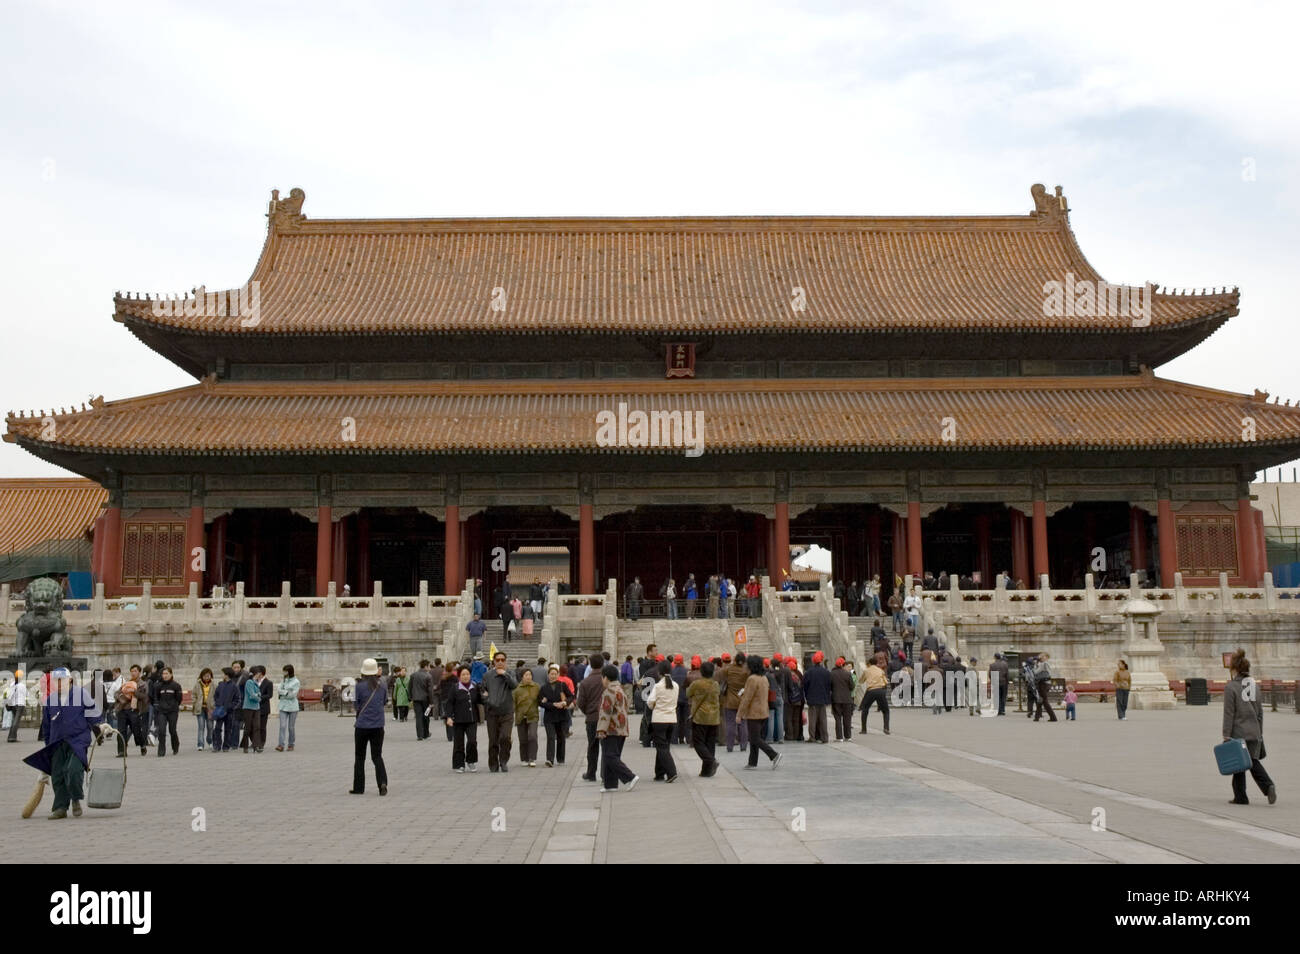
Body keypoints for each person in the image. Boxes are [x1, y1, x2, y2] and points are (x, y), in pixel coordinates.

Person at [23, 669, 110, 819]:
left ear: (69, 680)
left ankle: (76, 799)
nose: (58, 683)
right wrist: (48, 746)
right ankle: (60, 808)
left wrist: (100, 725)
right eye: (56, 681)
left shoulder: (81, 694)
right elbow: (47, 726)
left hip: (78, 739)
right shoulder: (50, 700)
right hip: (57, 742)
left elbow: (92, 713)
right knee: (58, 775)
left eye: (62, 680)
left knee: (73, 770)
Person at [1222, 649, 1276, 806]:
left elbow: (1229, 714)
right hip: (1254, 731)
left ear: (1234, 669)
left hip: (1238, 731)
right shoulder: (1254, 687)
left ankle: (1242, 796)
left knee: (1240, 763)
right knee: (1250, 761)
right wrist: (1260, 731)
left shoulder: (1231, 687)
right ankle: (1266, 786)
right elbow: (1260, 712)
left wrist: (1226, 734)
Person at [595, 664, 639, 793]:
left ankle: (630, 777)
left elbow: (605, 712)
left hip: (611, 728)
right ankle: (610, 784)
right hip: (622, 727)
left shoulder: (609, 691)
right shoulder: (620, 689)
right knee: (614, 755)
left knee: (609, 756)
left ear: (606, 678)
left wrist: (601, 729)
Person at [350, 658, 388, 795]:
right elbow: (384, 701)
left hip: (362, 726)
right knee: (377, 756)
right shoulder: (382, 685)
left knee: (360, 757)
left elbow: (356, 705)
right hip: (378, 725)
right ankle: (382, 783)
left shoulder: (359, 686)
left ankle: (359, 787)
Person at [737, 656, 782, 770]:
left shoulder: (752, 679)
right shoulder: (763, 678)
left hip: (754, 712)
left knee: (755, 738)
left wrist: (739, 714)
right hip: (763, 711)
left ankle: (774, 755)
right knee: (755, 738)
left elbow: (747, 698)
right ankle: (752, 762)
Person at [443, 665, 482, 772]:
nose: (466, 676)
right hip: (459, 720)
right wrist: (449, 717)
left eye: (468, 674)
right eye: (463, 674)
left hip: (472, 720)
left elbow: (480, 700)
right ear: (459, 676)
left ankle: (471, 761)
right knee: (459, 743)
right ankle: (459, 764)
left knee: (472, 741)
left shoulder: (474, 687)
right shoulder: (455, 688)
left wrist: (485, 696)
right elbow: (449, 703)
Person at [574, 653, 607, 782]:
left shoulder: (585, 682)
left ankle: (591, 773)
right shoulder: (606, 680)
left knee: (592, 746)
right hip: (606, 718)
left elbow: (580, 703)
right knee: (606, 747)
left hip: (592, 718)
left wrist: (588, 712)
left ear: (590, 664)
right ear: (603, 663)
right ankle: (605, 774)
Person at [646, 661, 679, 782]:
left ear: (659, 672)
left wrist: (655, 706)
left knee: (661, 747)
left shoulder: (658, 686)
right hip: (672, 718)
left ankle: (671, 772)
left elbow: (650, 702)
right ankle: (659, 772)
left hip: (659, 719)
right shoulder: (675, 685)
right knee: (665, 747)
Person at [688, 660, 721, 776]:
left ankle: (711, 761)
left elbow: (688, 693)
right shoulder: (716, 684)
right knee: (710, 743)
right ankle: (706, 771)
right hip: (714, 718)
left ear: (701, 672)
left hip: (700, 717)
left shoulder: (697, 684)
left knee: (698, 742)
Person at [538, 664, 569, 766]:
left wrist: (565, 703)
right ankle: (550, 759)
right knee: (551, 737)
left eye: (555, 674)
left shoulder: (562, 685)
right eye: (551, 674)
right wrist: (552, 704)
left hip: (562, 715)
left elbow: (571, 696)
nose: (553, 676)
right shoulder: (544, 688)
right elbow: (540, 702)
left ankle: (560, 759)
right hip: (550, 716)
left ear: (558, 674)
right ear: (548, 675)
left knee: (561, 737)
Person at [152, 667, 182, 757]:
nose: (164, 676)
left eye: (166, 674)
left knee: (172, 730)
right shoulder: (159, 686)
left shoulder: (176, 685)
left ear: (171, 674)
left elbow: (179, 699)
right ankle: (161, 750)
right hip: (162, 711)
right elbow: (157, 697)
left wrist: (173, 705)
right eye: (163, 674)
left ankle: (175, 746)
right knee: (161, 730)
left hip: (172, 711)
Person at [722, 653, 749, 752]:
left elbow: (722, 677)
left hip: (730, 701)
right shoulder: (746, 671)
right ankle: (743, 746)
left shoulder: (729, 669)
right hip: (742, 701)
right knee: (743, 724)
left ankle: (730, 746)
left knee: (730, 724)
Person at [803, 652, 832, 743]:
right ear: (821, 661)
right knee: (823, 719)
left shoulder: (809, 672)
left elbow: (805, 685)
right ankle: (824, 738)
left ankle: (812, 737)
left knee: (812, 719)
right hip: (823, 698)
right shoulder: (826, 672)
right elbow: (829, 686)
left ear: (813, 661)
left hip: (812, 699)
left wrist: (807, 696)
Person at [513, 669, 540, 767]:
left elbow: (540, 699)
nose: (528, 677)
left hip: (533, 716)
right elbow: (513, 703)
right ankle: (524, 758)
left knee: (533, 736)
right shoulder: (517, 689)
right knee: (523, 739)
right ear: (522, 677)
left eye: (530, 675)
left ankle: (532, 758)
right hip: (520, 716)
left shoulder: (536, 687)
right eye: (526, 675)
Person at [858, 653, 890, 734]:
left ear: (869, 663)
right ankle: (886, 728)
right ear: (876, 663)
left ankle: (864, 729)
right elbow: (886, 682)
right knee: (886, 711)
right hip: (880, 690)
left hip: (871, 691)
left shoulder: (867, 670)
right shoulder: (880, 670)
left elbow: (861, 681)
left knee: (865, 709)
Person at [210, 667, 238, 752]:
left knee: (228, 729)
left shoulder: (234, 686)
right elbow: (216, 695)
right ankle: (217, 745)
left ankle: (226, 746)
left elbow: (237, 699)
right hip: (220, 710)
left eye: (223, 674)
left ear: (227, 675)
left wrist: (231, 706)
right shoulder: (220, 684)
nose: (222, 675)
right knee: (217, 728)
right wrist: (218, 703)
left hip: (229, 711)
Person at [276, 665, 300, 751]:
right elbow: (278, 689)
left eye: (285, 671)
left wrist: (284, 693)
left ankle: (291, 744)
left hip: (293, 707)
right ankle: (281, 745)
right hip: (283, 706)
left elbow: (293, 695)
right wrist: (286, 692)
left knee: (291, 727)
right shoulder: (283, 680)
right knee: (282, 726)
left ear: (289, 671)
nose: (284, 673)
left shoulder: (296, 682)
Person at [240, 665, 263, 752]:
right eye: (258, 674)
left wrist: (257, 695)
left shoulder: (256, 682)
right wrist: (259, 697)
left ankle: (256, 746)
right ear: (255, 673)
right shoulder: (249, 682)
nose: (259, 675)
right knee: (248, 727)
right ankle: (245, 746)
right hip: (248, 707)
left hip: (256, 707)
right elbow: (252, 695)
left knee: (257, 727)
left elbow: (257, 693)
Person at [830, 656, 854, 741]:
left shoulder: (832, 674)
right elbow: (852, 686)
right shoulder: (847, 674)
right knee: (847, 718)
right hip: (847, 699)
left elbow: (830, 686)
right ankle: (848, 736)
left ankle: (839, 737)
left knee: (838, 719)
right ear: (843, 665)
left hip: (836, 699)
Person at [192, 668, 215, 751]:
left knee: (210, 726)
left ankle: (210, 740)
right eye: (205, 676)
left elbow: (217, 695)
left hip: (210, 708)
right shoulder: (197, 684)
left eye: (208, 676)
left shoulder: (213, 685)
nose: (206, 677)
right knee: (201, 726)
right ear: (201, 676)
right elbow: (194, 695)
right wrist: (195, 703)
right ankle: (200, 744)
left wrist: (214, 704)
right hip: (200, 708)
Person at [410, 659, 433, 741]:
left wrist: (410, 697)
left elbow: (410, 687)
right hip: (425, 699)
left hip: (416, 699)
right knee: (426, 716)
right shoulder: (428, 676)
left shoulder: (413, 675)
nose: (429, 668)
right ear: (426, 666)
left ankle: (419, 735)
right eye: (429, 666)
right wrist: (431, 701)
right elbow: (430, 690)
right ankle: (426, 733)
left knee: (418, 717)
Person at [1031, 653, 1058, 722]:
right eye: (1040, 656)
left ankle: (1053, 717)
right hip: (1046, 683)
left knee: (1044, 701)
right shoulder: (1046, 664)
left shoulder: (1043, 664)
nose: (1040, 658)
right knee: (1040, 700)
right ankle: (1037, 717)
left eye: (1042, 656)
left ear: (1046, 657)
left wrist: (1035, 665)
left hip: (1043, 684)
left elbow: (1036, 672)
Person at [784, 657, 804, 741]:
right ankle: (796, 735)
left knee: (789, 718)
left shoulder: (788, 675)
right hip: (799, 700)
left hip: (790, 700)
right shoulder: (799, 674)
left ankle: (789, 735)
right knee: (796, 719)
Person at [6, 669, 27, 743]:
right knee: (16, 721)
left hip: (13, 704)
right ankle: (12, 737)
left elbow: (9, 695)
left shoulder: (12, 684)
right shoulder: (22, 685)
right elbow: (25, 694)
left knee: (13, 720)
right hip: (20, 704)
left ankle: (10, 737)